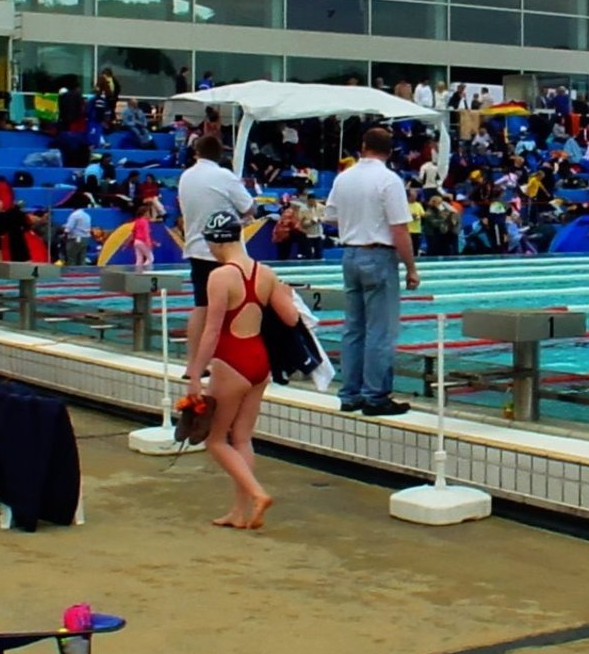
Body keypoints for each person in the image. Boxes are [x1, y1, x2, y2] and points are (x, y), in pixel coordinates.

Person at [184, 210, 303, 530]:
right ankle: (239, 512)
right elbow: (292, 318)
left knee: (215, 440)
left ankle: (257, 494)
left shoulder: (220, 276)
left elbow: (211, 331)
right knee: (242, 438)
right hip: (259, 363)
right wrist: (286, 293)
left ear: (214, 242)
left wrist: (195, 374)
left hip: (231, 362)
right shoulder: (265, 273)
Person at [325, 125, 419, 416]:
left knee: (353, 328)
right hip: (378, 255)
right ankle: (375, 397)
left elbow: (330, 218)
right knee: (380, 330)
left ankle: (350, 394)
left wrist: (356, 224)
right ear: (390, 152)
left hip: (350, 255)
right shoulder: (389, 181)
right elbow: (399, 229)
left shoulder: (344, 178)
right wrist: (411, 268)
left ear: (363, 147)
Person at [178, 133, 255, 338]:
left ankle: (195, 362)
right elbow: (249, 207)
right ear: (220, 154)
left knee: (201, 307)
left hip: (195, 249)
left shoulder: (186, 176)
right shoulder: (224, 176)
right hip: (224, 253)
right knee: (233, 307)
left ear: (196, 152)